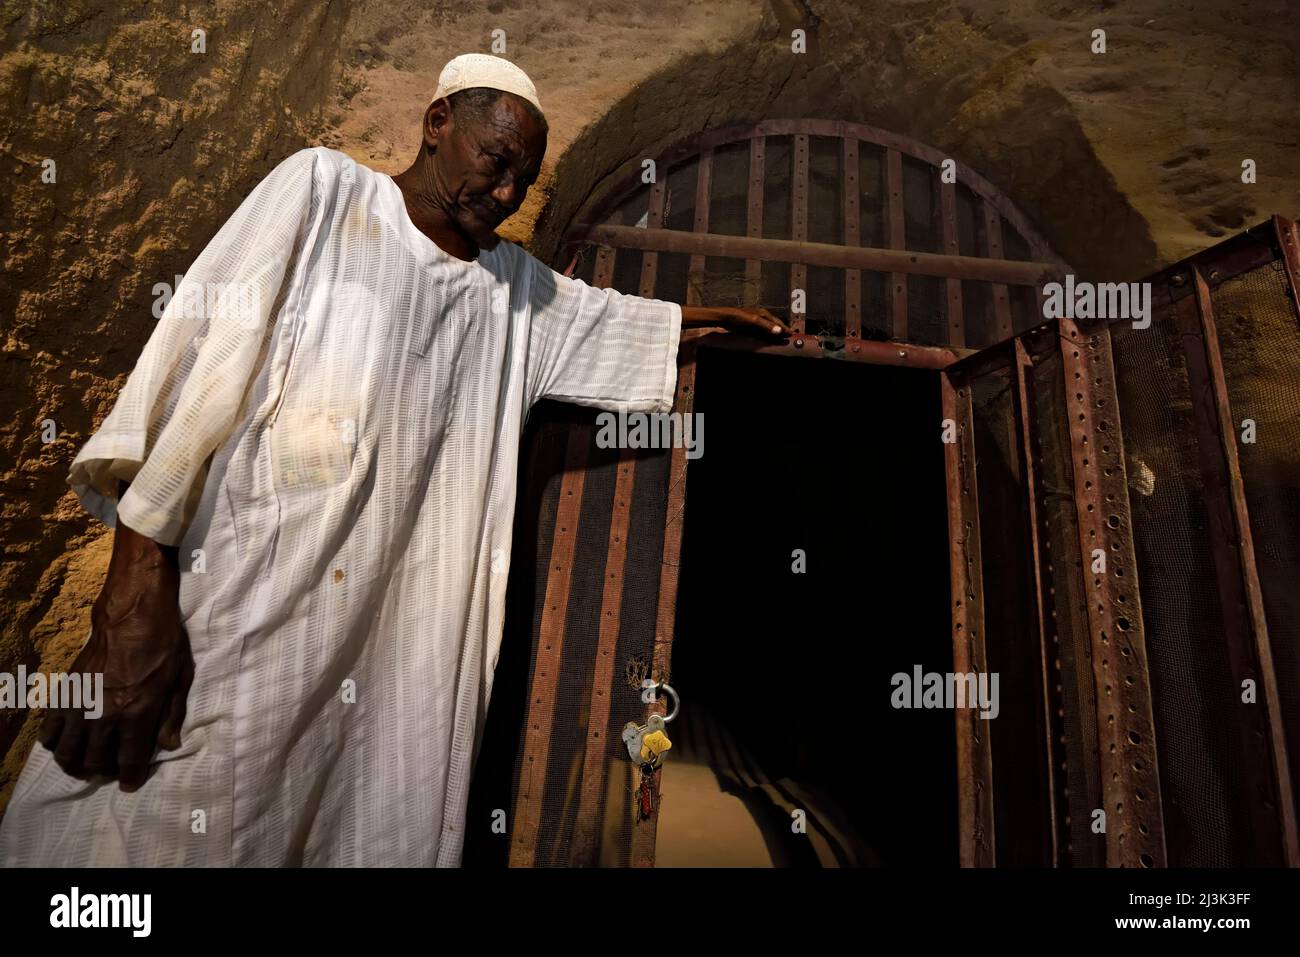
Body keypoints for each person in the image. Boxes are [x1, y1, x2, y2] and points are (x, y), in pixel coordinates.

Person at [0, 53, 787, 866]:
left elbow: (627, 325)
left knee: (340, 819)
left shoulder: (516, 294)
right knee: (149, 820)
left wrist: (724, 320)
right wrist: (129, 603)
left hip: (381, 675)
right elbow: (194, 371)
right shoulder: (322, 193)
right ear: (437, 123)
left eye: (526, 177)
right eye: (497, 159)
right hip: (236, 623)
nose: (510, 193)